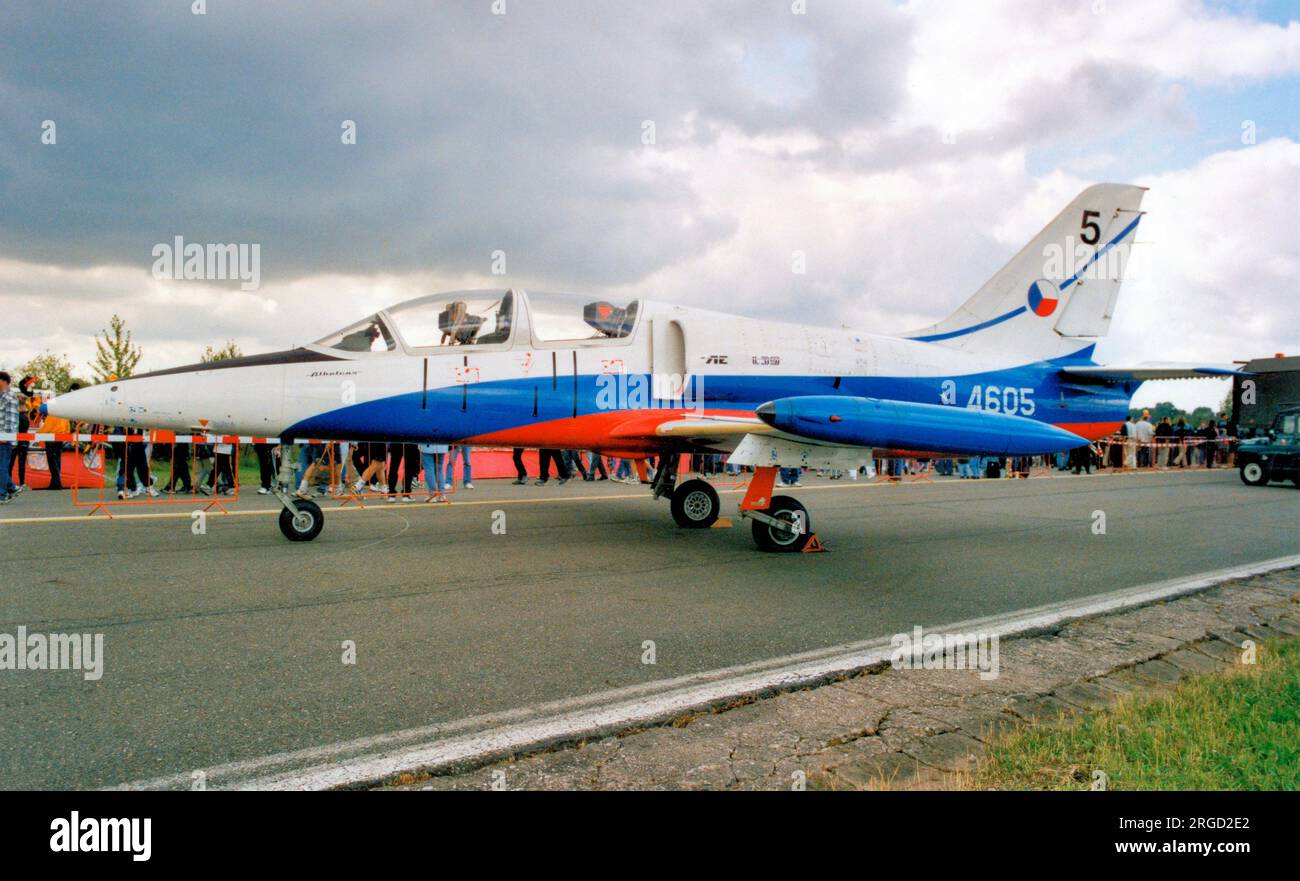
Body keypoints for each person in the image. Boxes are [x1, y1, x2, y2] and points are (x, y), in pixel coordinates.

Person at [0, 372, 19, 502]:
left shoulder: (10, 397)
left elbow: (10, 419)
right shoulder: (2, 396)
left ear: (4, 381)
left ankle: (2, 494)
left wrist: (5, 436)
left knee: (1, 466)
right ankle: (11, 487)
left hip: (3, 438)